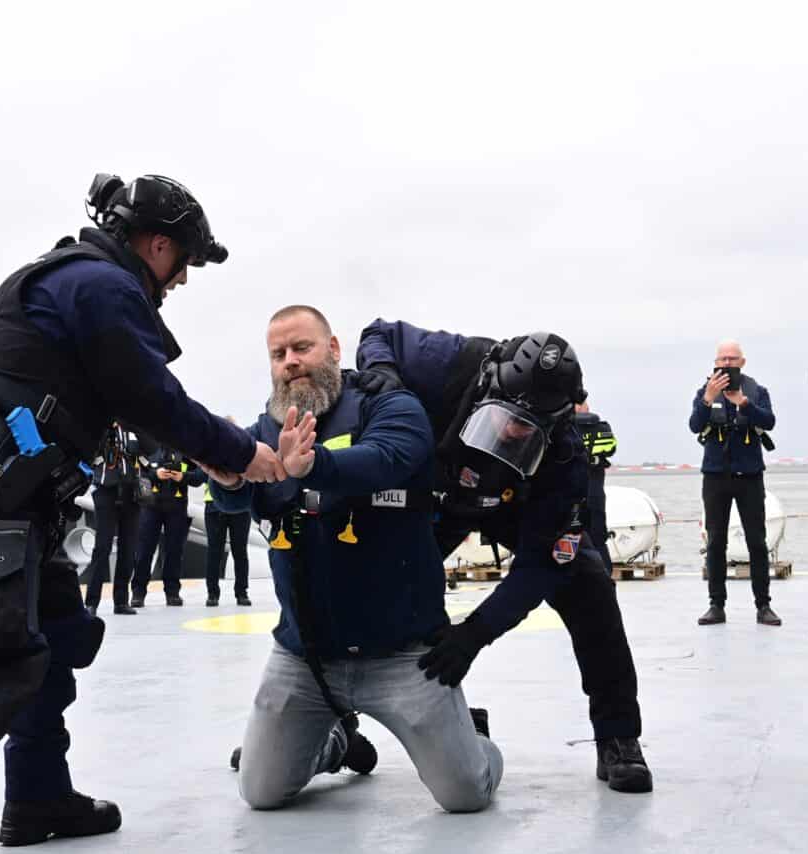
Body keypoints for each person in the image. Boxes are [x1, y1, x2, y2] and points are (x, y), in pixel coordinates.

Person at [0, 172, 283, 854]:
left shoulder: (81, 279)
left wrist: (212, 458)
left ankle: (38, 797)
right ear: (156, 244)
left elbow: (130, 402)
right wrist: (239, 454)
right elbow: (150, 397)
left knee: (57, 636)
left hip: (15, 483)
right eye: (184, 261)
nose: (184, 279)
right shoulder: (100, 285)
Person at [210, 305, 502, 812]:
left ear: (334, 349)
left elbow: (392, 457)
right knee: (260, 793)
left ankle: (473, 740)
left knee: (464, 794)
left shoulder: (390, 405)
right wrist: (228, 477)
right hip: (306, 658)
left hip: (402, 655)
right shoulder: (264, 425)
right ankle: (335, 743)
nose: (290, 363)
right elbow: (239, 501)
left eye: (302, 348)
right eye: (278, 355)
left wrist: (314, 465)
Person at [357, 319, 652, 793]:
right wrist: (383, 373)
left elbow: (541, 567)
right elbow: (380, 334)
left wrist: (475, 634)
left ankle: (618, 737)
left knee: (590, 587)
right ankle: (326, 721)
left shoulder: (564, 462)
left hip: (517, 504)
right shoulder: (453, 361)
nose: (511, 430)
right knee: (359, 581)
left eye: (526, 428)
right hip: (437, 490)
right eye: (504, 418)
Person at [689, 341, 781, 626]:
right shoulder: (703, 392)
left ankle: (763, 605)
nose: (727, 363)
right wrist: (709, 398)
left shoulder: (757, 392)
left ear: (742, 362)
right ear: (715, 362)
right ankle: (716, 604)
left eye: (732, 358)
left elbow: (770, 421)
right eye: (722, 358)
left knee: (757, 541)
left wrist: (743, 402)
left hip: (749, 476)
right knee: (716, 541)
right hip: (716, 476)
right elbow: (694, 425)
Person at [128, 443, 204, 607]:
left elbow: (200, 475)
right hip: (150, 506)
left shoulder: (185, 449)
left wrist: (183, 477)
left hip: (177, 507)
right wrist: (156, 474)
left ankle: (172, 593)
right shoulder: (147, 446)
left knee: (174, 551)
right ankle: (138, 592)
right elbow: (136, 474)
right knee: (144, 550)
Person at [83, 422, 143, 615]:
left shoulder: (134, 428)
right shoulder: (101, 427)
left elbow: (148, 453)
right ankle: (91, 602)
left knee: (128, 548)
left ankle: (121, 601)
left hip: (131, 493)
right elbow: (88, 451)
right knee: (102, 547)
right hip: (106, 491)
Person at [203, 417, 252, 607]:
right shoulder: (210, 451)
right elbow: (200, 475)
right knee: (214, 551)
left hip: (240, 508)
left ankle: (242, 593)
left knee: (240, 551)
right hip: (214, 507)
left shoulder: (245, 450)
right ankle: (212, 594)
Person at [573, 401, 617, 573]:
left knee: (569, 537)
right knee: (598, 538)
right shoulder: (601, 428)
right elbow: (611, 449)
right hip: (595, 493)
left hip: (570, 494)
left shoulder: (563, 429)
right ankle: (605, 576)